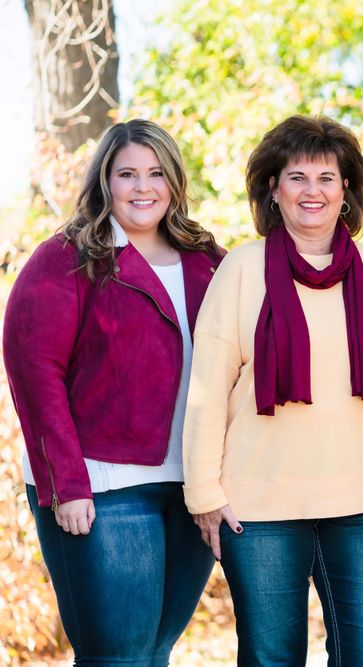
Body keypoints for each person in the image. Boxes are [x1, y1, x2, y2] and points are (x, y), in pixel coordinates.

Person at [182, 115, 363, 666]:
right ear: (273, 189)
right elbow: (207, 385)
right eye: (296, 177)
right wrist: (203, 492)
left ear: (346, 189)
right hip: (259, 505)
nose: (312, 191)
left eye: (326, 177)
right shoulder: (242, 271)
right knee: (272, 657)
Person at [3, 119, 221, 665]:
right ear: (105, 181)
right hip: (104, 487)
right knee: (117, 657)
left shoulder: (207, 259)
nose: (142, 187)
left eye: (155, 173)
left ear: (173, 182)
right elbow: (34, 370)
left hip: (192, 486)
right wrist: (66, 484)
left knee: (155, 652)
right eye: (127, 174)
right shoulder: (69, 257)